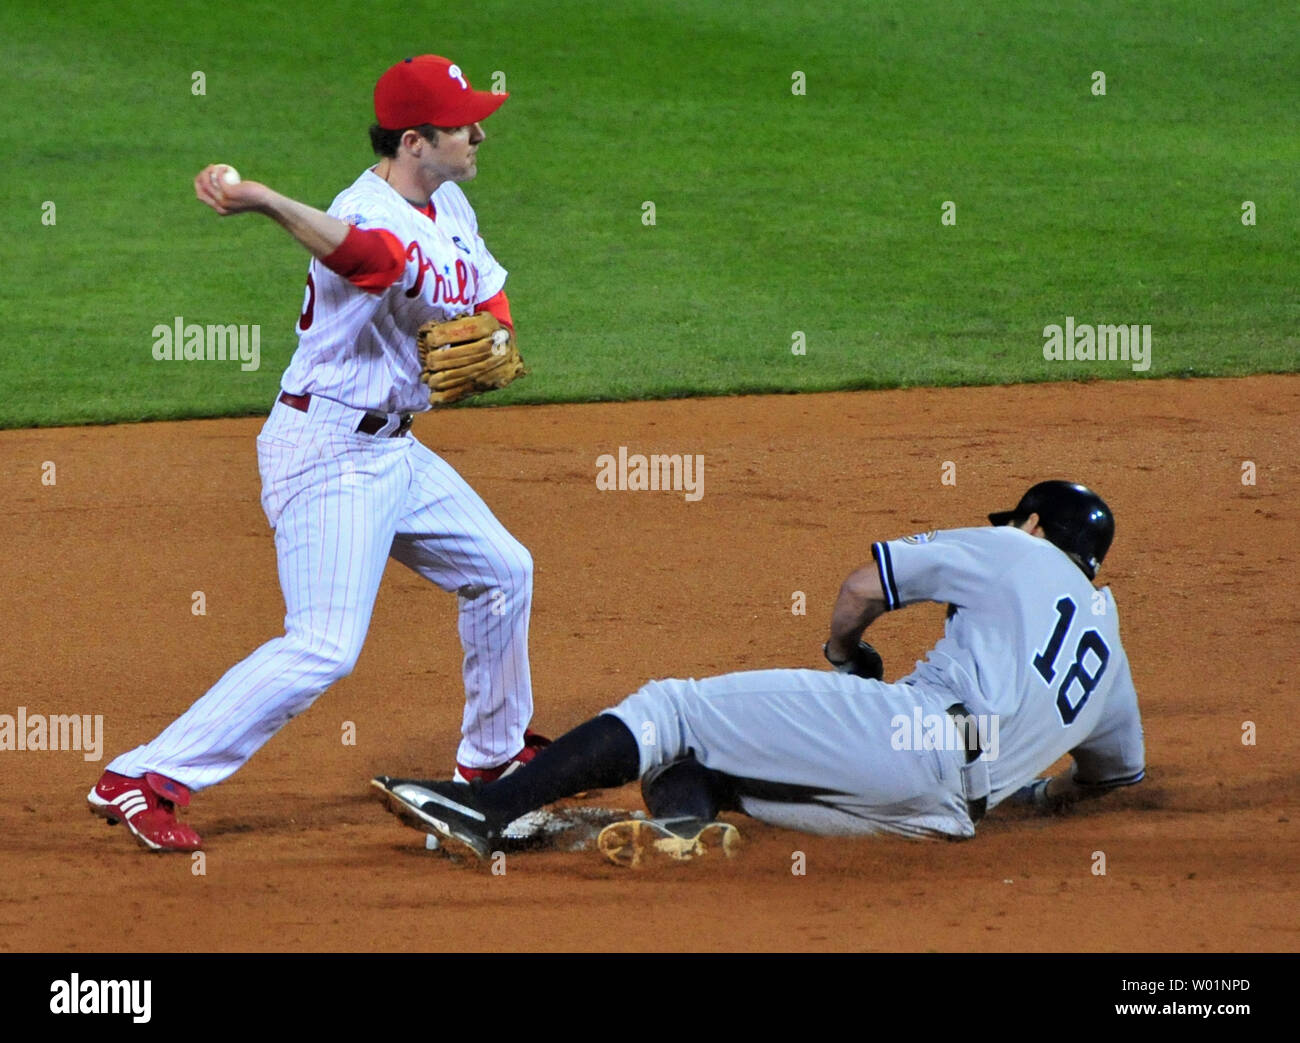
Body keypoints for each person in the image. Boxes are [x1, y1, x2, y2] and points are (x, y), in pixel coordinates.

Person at [88, 55, 545, 853]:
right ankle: (142, 775)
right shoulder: (364, 212)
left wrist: (499, 328)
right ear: (414, 141)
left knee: (503, 570)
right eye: (463, 124)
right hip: (327, 448)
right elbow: (365, 257)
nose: (479, 132)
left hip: (396, 450)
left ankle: (493, 756)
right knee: (324, 645)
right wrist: (263, 199)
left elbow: (484, 285)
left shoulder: (450, 200)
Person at [372, 481, 1146, 866]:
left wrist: (847, 659)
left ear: (1038, 525)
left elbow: (862, 588)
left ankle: (487, 810)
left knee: (674, 709)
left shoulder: (1018, 548)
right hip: (940, 814)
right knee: (709, 762)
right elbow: (1112, 776)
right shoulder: (1109, 649)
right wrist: (1032, 789)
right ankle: (682, 829)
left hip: (908, 737)